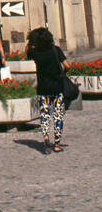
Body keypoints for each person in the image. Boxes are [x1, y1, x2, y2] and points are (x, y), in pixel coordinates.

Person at [26, 26, 67, 154]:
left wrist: (31, 41)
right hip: (57, 87)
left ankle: (45, 139)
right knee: (58, 115)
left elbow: (26, 50)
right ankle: (57, 144)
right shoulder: (56, 50)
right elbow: (67, 65)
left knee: (45, 114)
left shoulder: (35, 53)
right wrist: (63, 74)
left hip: (43, 88)